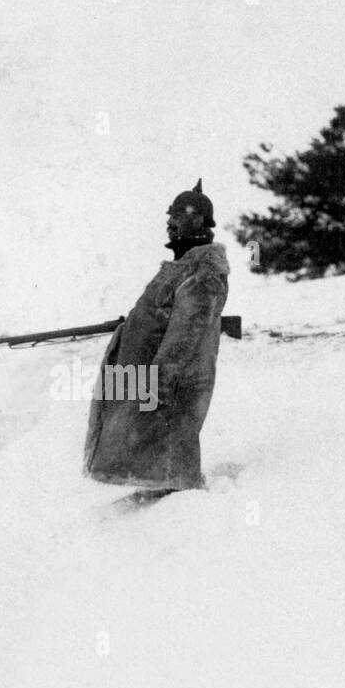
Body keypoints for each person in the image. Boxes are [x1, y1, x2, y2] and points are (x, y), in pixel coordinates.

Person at [83, 179, 230, 491]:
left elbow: (187, 330)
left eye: (176, 215)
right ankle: (165, 490)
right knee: (143, 441)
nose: (169, 222)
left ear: (198, 221)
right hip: (152, 375)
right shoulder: (182, 266)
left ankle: (182, 498)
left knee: (171, 439)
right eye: (170, 215)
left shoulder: (204, 270)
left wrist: (159, 380)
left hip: (170, 379)